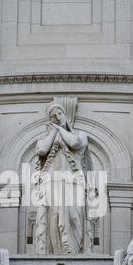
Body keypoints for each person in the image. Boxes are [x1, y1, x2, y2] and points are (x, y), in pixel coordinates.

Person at [31, 97, 94, 254]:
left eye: (60, 114)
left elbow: (76, 144)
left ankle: (74, 251)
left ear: (66, 115)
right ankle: (57, 252)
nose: (58, 118)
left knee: (74, 216)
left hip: (74, 181)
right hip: (51, 181)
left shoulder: (80, 135)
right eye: (54, 116)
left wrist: (60, 129)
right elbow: (42, 150)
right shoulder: (44, 139)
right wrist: (54, 131)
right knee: (55, 217)